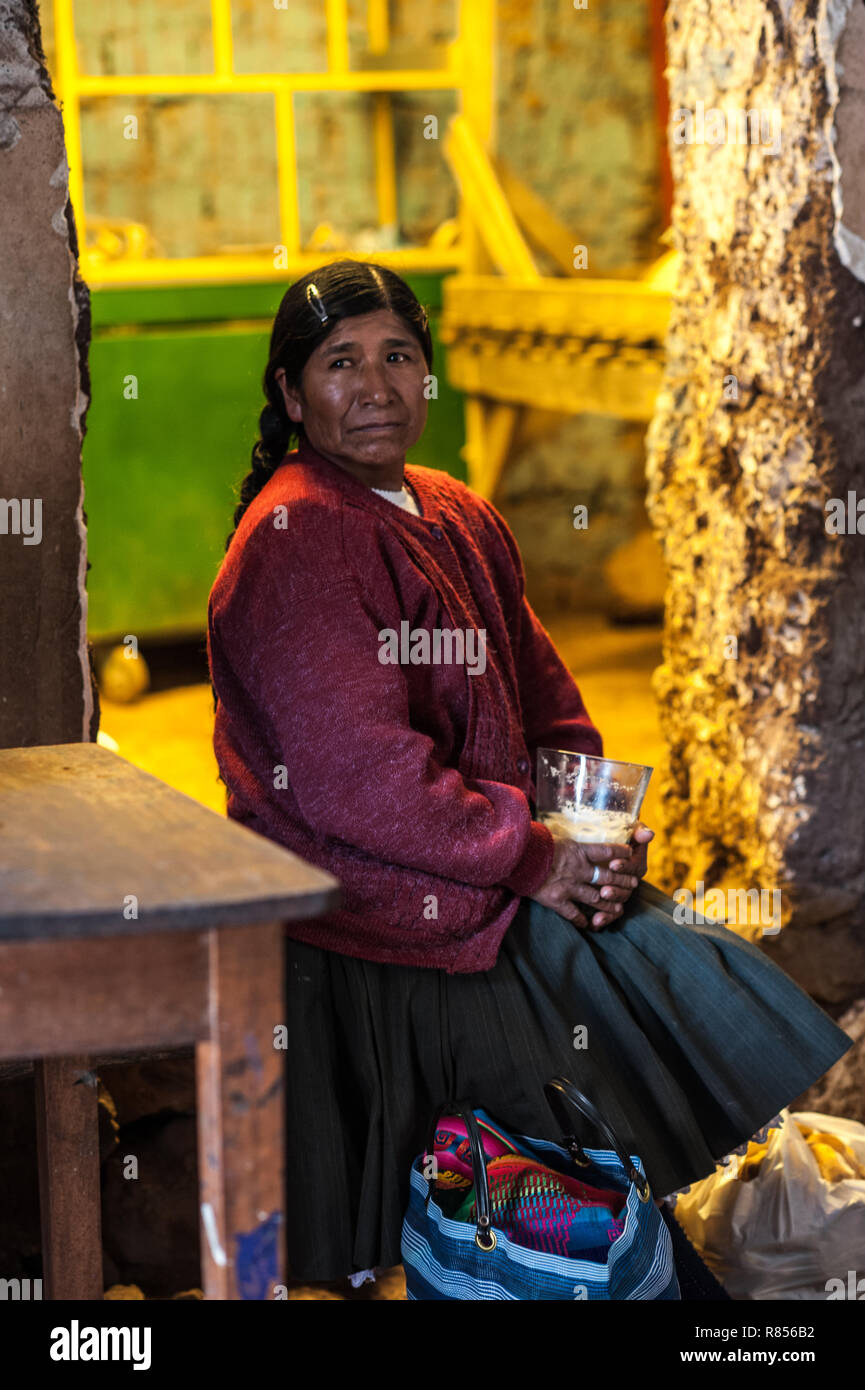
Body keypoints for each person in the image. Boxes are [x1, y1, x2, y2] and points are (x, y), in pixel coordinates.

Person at [206, 259, 852, 1293]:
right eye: (340, 364)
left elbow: (545, 692)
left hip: (486, 870)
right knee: (579, 1061)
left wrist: (590, 830)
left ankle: (617, 1242)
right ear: (291, 395)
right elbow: (361, 781)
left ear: (428, 375)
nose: (375, 386)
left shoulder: (452, 511)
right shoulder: (298, 538)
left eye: (398, 357)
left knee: (654, 948)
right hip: (381, 918)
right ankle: (585, 1250)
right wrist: (533, 856)